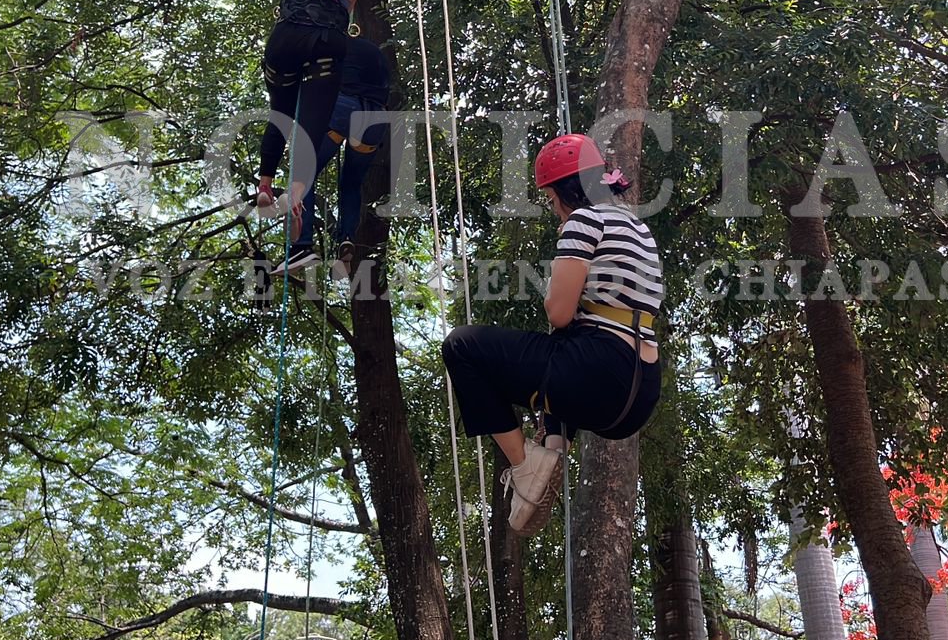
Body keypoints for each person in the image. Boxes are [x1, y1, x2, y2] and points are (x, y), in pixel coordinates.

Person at [441, 134, 663, 536]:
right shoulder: (638, 228)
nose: (552, 208)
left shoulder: (584, 221)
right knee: (562, 349)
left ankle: (525, 465)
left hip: (600, 370)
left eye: (550, 198)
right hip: (640, 389)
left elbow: (558, 313)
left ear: (565, 191)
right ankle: (553, 449)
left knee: (464, 346)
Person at [256, 0, 360, 221]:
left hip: (286, 40)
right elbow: (342, 15)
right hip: (326, 45)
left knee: (282, 112)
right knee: (315, 121)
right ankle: (297, 190)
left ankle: (265, 182)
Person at [275, 36, 392, 274]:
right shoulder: (372, 50)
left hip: (341, 109)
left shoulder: (324, 44)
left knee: (303, 174)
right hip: (375, 120)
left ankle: (302, 246)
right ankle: (346, 237)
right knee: (351, 183)